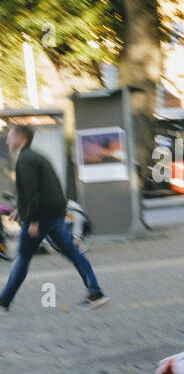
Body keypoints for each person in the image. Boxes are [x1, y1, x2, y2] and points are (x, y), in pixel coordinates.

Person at [0, 124, 107, 311]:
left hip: (40, 218)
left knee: (22, 258)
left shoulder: (25, 160)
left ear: (21, 138)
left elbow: (33, 193)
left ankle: (3, 301)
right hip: (54, 216)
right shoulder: (36, 157)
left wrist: (32, 220)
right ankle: (96, 292)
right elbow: (40, 190)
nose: (7, 140)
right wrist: (20, 209)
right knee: (74, 254)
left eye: (11, 136)